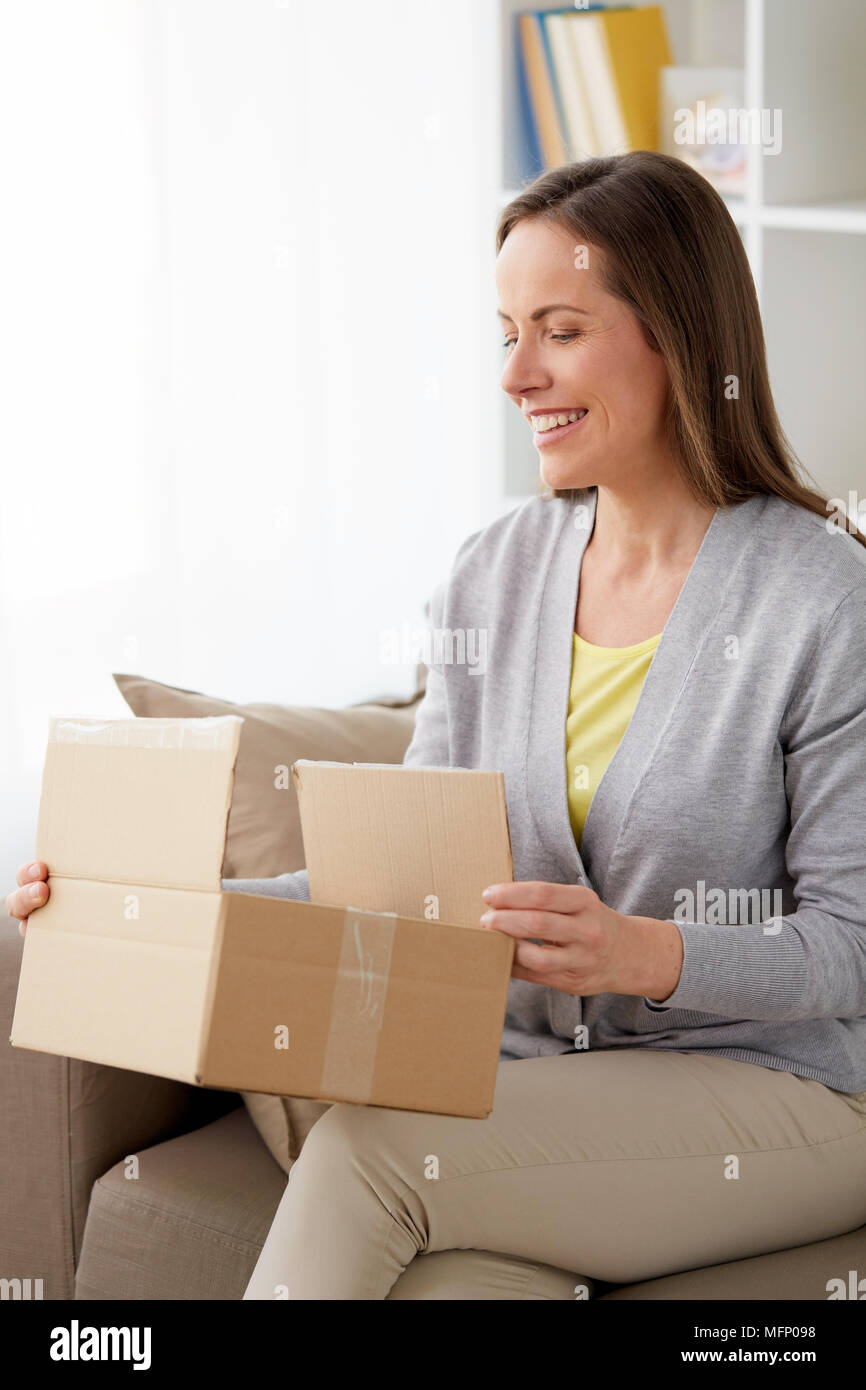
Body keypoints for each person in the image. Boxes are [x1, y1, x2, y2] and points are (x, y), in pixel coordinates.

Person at [10, 152, 866, 1300]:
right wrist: (164, 909)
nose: (515, 374)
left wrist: (644, 951)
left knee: (368, 1154)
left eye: (557, 330)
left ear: (675, 333)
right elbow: (398, 880)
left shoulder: (818, 598)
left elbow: (851, 944)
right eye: (503, 331)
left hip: (782, 1093)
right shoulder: (494, 575)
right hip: (530, 1084)